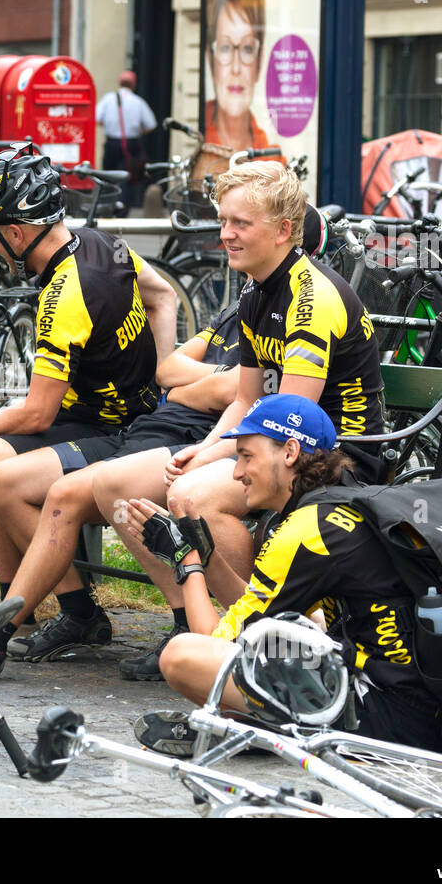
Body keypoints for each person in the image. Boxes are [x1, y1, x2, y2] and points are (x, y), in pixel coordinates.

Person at [0, 148, 168, 644]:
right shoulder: (103, 243)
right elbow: (164, 295)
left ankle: (62, 611)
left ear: (16, 233)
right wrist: (163, 378)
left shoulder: (63, 294)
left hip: (110, 432)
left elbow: (37, 411)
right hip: (94, 418)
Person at [118, 394, 442, 755]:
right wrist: (208, 555)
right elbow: (258, 615)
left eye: (247, 456)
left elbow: (214, 644)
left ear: (290, 453)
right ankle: (258, 723)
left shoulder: (306, 532)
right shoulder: (341, 502)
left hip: (392, 719)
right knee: (305, 623)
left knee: (180, 655)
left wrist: (186, 561)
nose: (237, 472)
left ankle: (265, 730)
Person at [103, 161, 384, 604]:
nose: (225, 235)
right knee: (136, 484)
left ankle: (261, 624)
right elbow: (245, 400)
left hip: (338, 454)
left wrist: (209, 459)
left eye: (240, 223)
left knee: (191, 496)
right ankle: (197, 619)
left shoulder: (312, 298)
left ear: (282, 230)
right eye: (223, 221)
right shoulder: (255, 290)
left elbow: (291, 420)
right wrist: (206, 448)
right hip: (285, 441)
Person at [0, 300, 239, 665]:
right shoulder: (234, 311)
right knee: (4, 481)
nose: (227, 241)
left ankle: (183, 621)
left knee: (66, 494)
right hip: (138, 430)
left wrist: (189, 386)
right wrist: (210, 379)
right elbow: (166, 370)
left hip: (188, 441)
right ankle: (80, 613)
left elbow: (230, 393)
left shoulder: (285, 313)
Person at [201, 0, 284, 161]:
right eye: (225, 48)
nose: (236, 68)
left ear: (259, 61)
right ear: (210, 59)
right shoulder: (196, 141)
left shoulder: (275, 161)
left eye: (247, 48)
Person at [94, 70, 156, 211]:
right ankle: (123, 209)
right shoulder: (138, 102)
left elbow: (97, 118)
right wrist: (139, 131)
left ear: (119, 83)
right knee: (126, 176)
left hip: (112, 143)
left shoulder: (108, 99)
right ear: (134, 85)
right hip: (130, 144)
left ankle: (106, 206)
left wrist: (109, 125)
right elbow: (151, 124)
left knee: (107, 176)